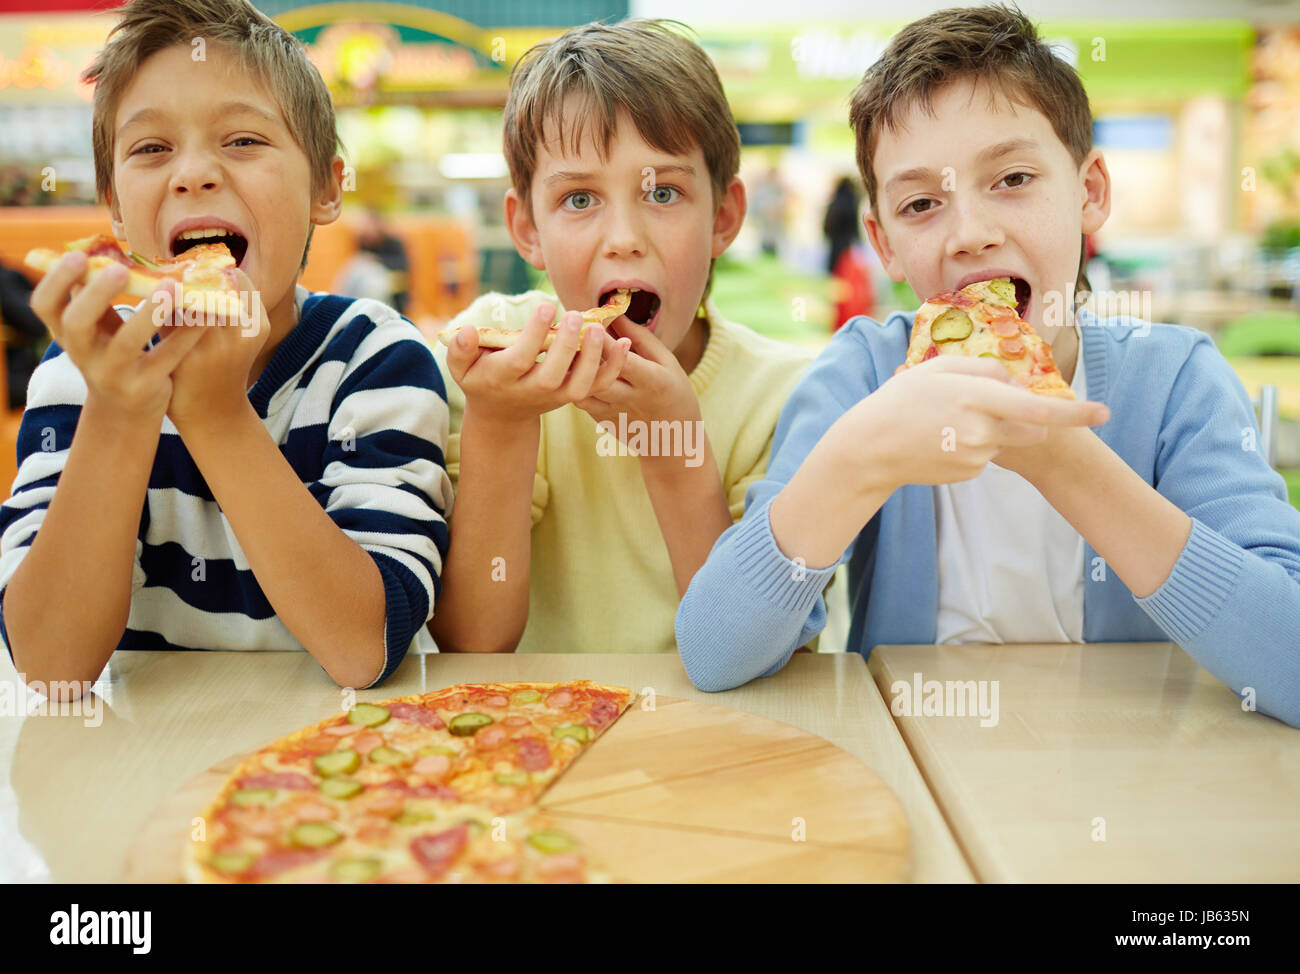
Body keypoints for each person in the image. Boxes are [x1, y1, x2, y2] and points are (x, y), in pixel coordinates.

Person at [675, 5, 1300, 728]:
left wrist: (1061, 461)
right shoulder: (863, 377)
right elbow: (716, 653)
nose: (970, 233)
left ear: (1089, 192)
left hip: (1131, 787)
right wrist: (856, 461)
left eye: (1011, 179)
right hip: (919, 777)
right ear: (881, 240)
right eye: (921, 203)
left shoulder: (1175, 381)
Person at [0, 0, 451, 695]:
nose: (193, 174)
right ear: (115, 207)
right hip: (142, 771)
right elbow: (51, 669)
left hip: (352, 762)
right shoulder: (78, 374)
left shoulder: (375, 360)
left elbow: (365, 648)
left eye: (242, 141)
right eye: (151, 149)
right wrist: (119, 414)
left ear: (327, 188)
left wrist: (214, 416)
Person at [429, 19, 813, 655]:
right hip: (536, 737)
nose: (624, 237)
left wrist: (674, 443)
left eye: (662, 192)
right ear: (527, 230)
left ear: (724, 217)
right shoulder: (493, 356)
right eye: (579, 200)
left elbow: (756, 655)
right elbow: (472, 640)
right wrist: (501, 424)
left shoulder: (783, 398)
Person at [823, 176, 874, 330]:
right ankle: (851, 319)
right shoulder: (855, 204)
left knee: (839, 291)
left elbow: (826, 229)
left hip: (836, 251)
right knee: (852, 290)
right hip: (851, 251)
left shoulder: (834, 204)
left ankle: (839, 321)